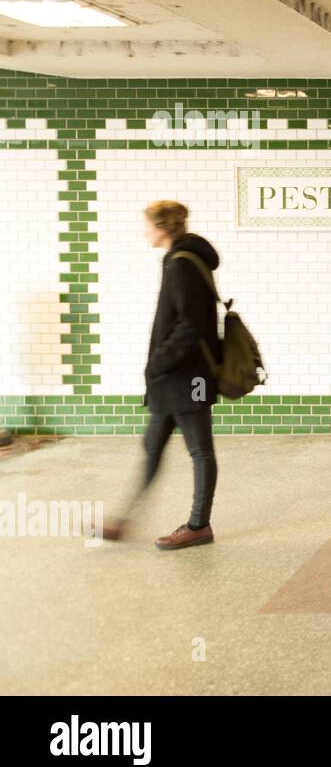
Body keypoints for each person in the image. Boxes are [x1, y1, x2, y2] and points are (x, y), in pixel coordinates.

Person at [102, 201, 221, 550]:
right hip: (172, 379)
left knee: (200, 451)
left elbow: (191, 324)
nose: (145, 232)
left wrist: (158, 362)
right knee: (152, 446)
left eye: (148, 226)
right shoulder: (180, 260)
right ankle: (122, 521)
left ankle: (199, 525)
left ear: (163, 228)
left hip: (189, 377)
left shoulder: (182, 264)